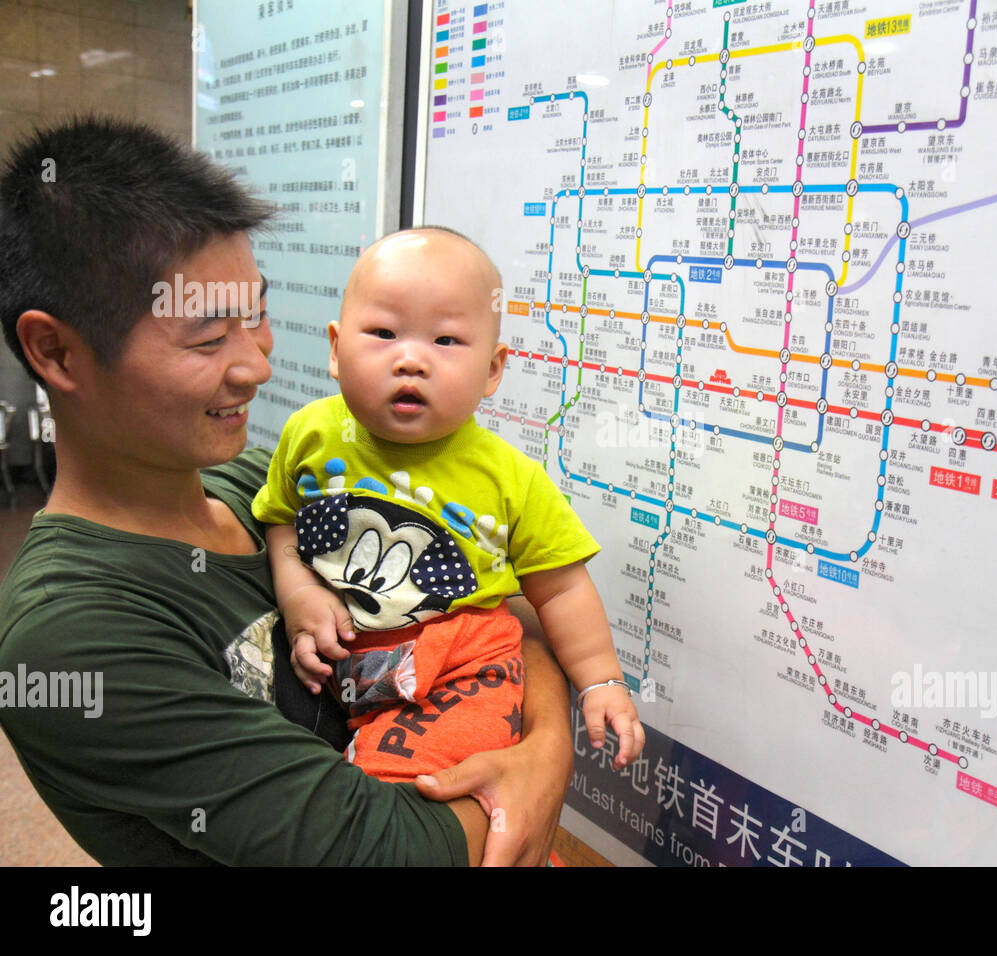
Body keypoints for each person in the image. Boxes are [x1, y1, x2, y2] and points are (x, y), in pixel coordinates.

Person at [0, 114, 572, 865]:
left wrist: (548, 748)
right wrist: (532, 782)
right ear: (56, 351)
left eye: (256, 314)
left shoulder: (265, 486)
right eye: (208, 338)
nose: (257, 365)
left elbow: (509, 608)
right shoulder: (73, 637)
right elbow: (394, 854)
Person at [251, 227, 646, 783]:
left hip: (460, 666)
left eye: (446, 341)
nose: (411, 359)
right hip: (340, 661)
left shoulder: (511, 478)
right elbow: (280, 519)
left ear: (492, 369)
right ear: (337, 350)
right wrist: (298, 593)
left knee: (402, 789)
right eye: (384, 333)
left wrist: (602, 681)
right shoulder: (310, 434)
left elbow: (560, 587)